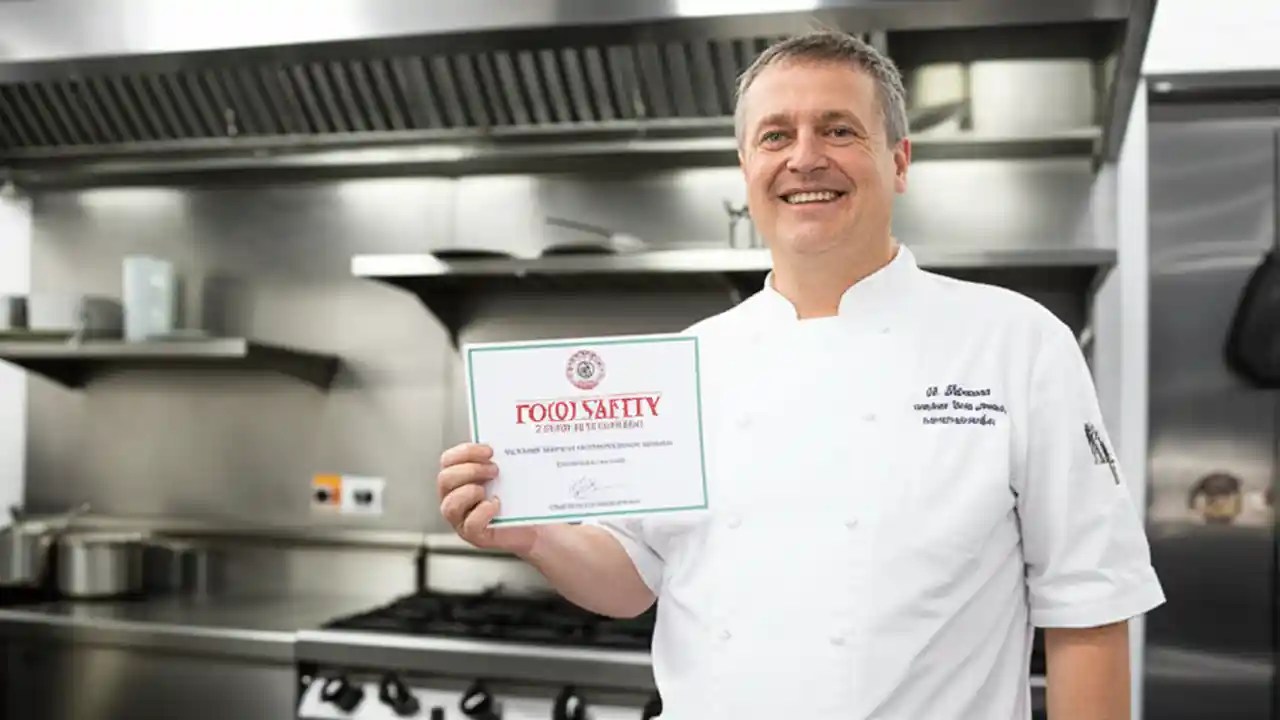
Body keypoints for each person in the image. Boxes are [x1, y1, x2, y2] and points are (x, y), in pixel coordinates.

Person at [437, 30, 1165, 719]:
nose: (805, 158)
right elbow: (633, 578)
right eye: (775, 135)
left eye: (840, 130)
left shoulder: (1016, 341)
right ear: (746, 167)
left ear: (900, 160)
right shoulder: (688, 360)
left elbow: (1090, 607)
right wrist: (530, 535)